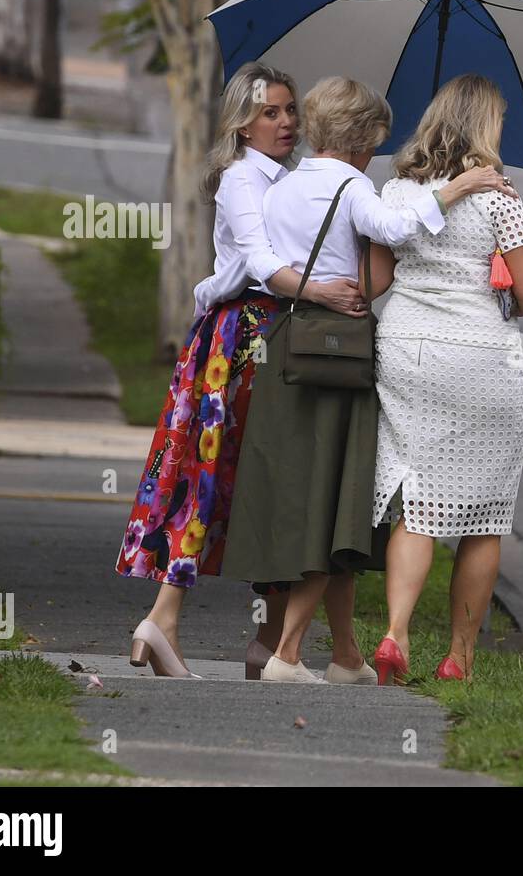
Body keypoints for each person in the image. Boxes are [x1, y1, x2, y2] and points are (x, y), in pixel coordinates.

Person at [220, 75, 516, 683]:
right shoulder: (353, 185)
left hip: (281, 351)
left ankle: (326, 650)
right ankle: (290, 653)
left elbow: (250, 262)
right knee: (338, 507)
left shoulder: (279, 185)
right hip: (337, 356)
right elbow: (394, 233)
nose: (375, 155)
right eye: (374, 143)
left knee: (295, 499)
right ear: (359, 140)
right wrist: (462, 183)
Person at [115, 62, 368, 678]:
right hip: (242, 338)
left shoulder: (287, 177)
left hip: (276, 333)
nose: (285, 123)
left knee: (266, 481)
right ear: (242, 123)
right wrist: (323, 293)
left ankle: (267, 638)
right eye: (269, 113)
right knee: (211, 476)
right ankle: (167, 617)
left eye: (289, 111)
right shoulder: (240, 178)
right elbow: (257, 260)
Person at [370, 74, 523, 685]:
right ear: (484, 127)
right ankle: (459, 657)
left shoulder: (394, 192)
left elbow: (377, 278)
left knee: (414, 499)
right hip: (480, 357)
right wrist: (498, 289)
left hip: (406, 347)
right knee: (485, 516)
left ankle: (394, 634)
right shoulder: (501, 199)